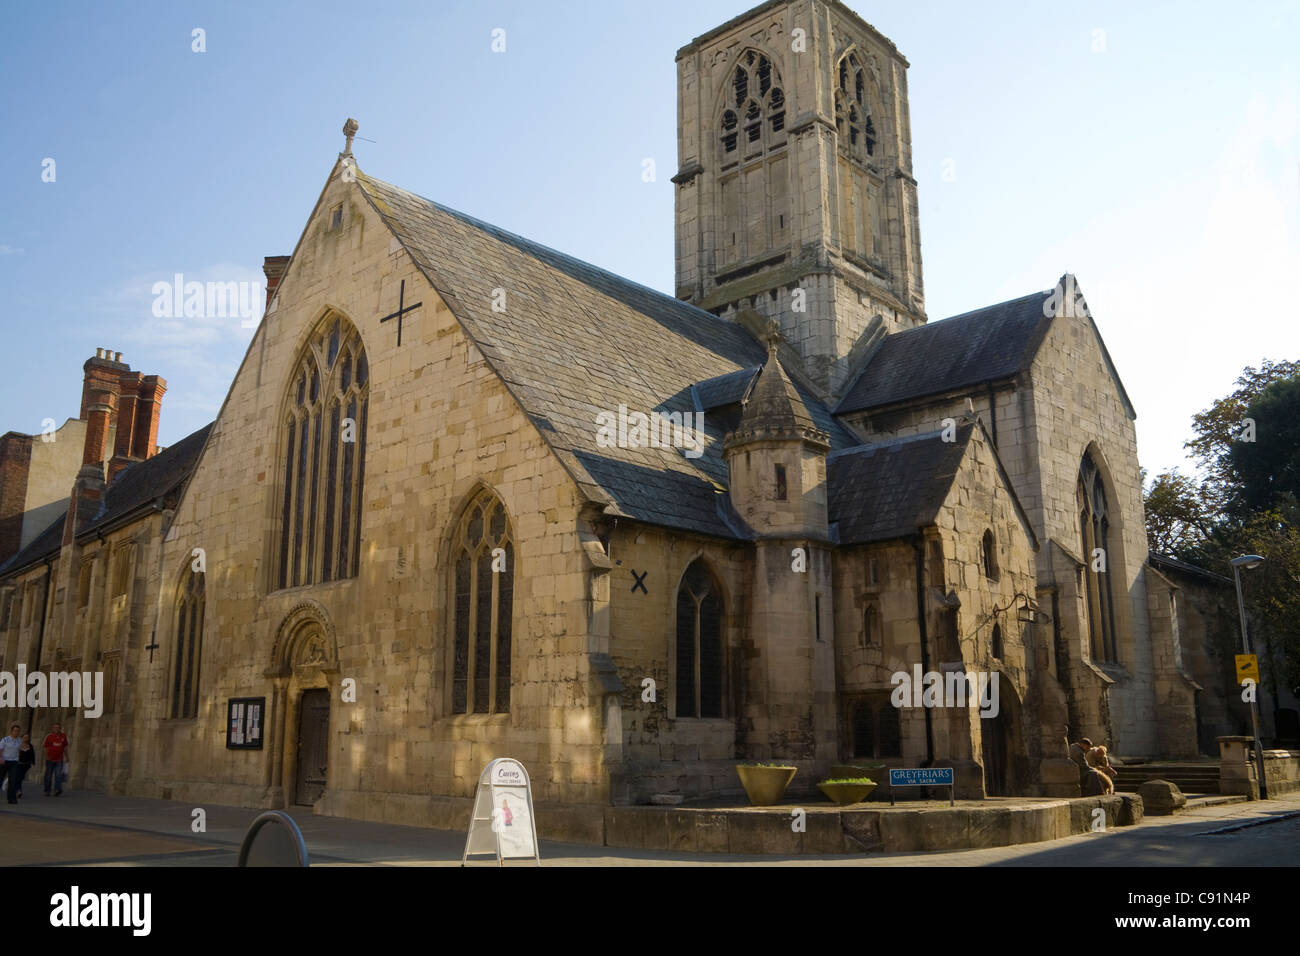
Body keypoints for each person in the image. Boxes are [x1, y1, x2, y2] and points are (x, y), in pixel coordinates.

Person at [42, 722, 69, 797]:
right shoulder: (49, 736)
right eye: (55, 727)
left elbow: (65, 747)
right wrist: (46, 756)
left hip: (59, 759)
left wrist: (67, 756)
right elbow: (45, 747)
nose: (56, 729)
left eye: (58, 727)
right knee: (48, 775)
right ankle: (47, 790)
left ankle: (57, 789)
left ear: (60, 728)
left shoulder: (63, 736)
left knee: (58, 774)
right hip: (50, 759)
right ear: (52, 728)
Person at [1, 725, 22, 804]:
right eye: (15, 730)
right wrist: (1, 758)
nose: (16, 732)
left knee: (12, 780)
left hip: (14, 762)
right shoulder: (5, 740)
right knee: (1, 778)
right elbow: (0, 749)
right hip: (4, 761)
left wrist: (18, 758)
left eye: (18, 731)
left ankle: (11, 798)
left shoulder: (19, 740)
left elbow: (19, 750)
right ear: (11, 731)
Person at [16, 734, 35, 798]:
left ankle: (15, 788)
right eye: (24, 737)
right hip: (19, 763)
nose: (26, 738)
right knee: (19, 777)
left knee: (21, 777)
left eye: (27, 737)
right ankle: (19, 791)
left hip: (26, 764)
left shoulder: (30, 745)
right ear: (22, 738)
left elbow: (32, 754)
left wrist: (33, 762)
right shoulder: (18, 745)